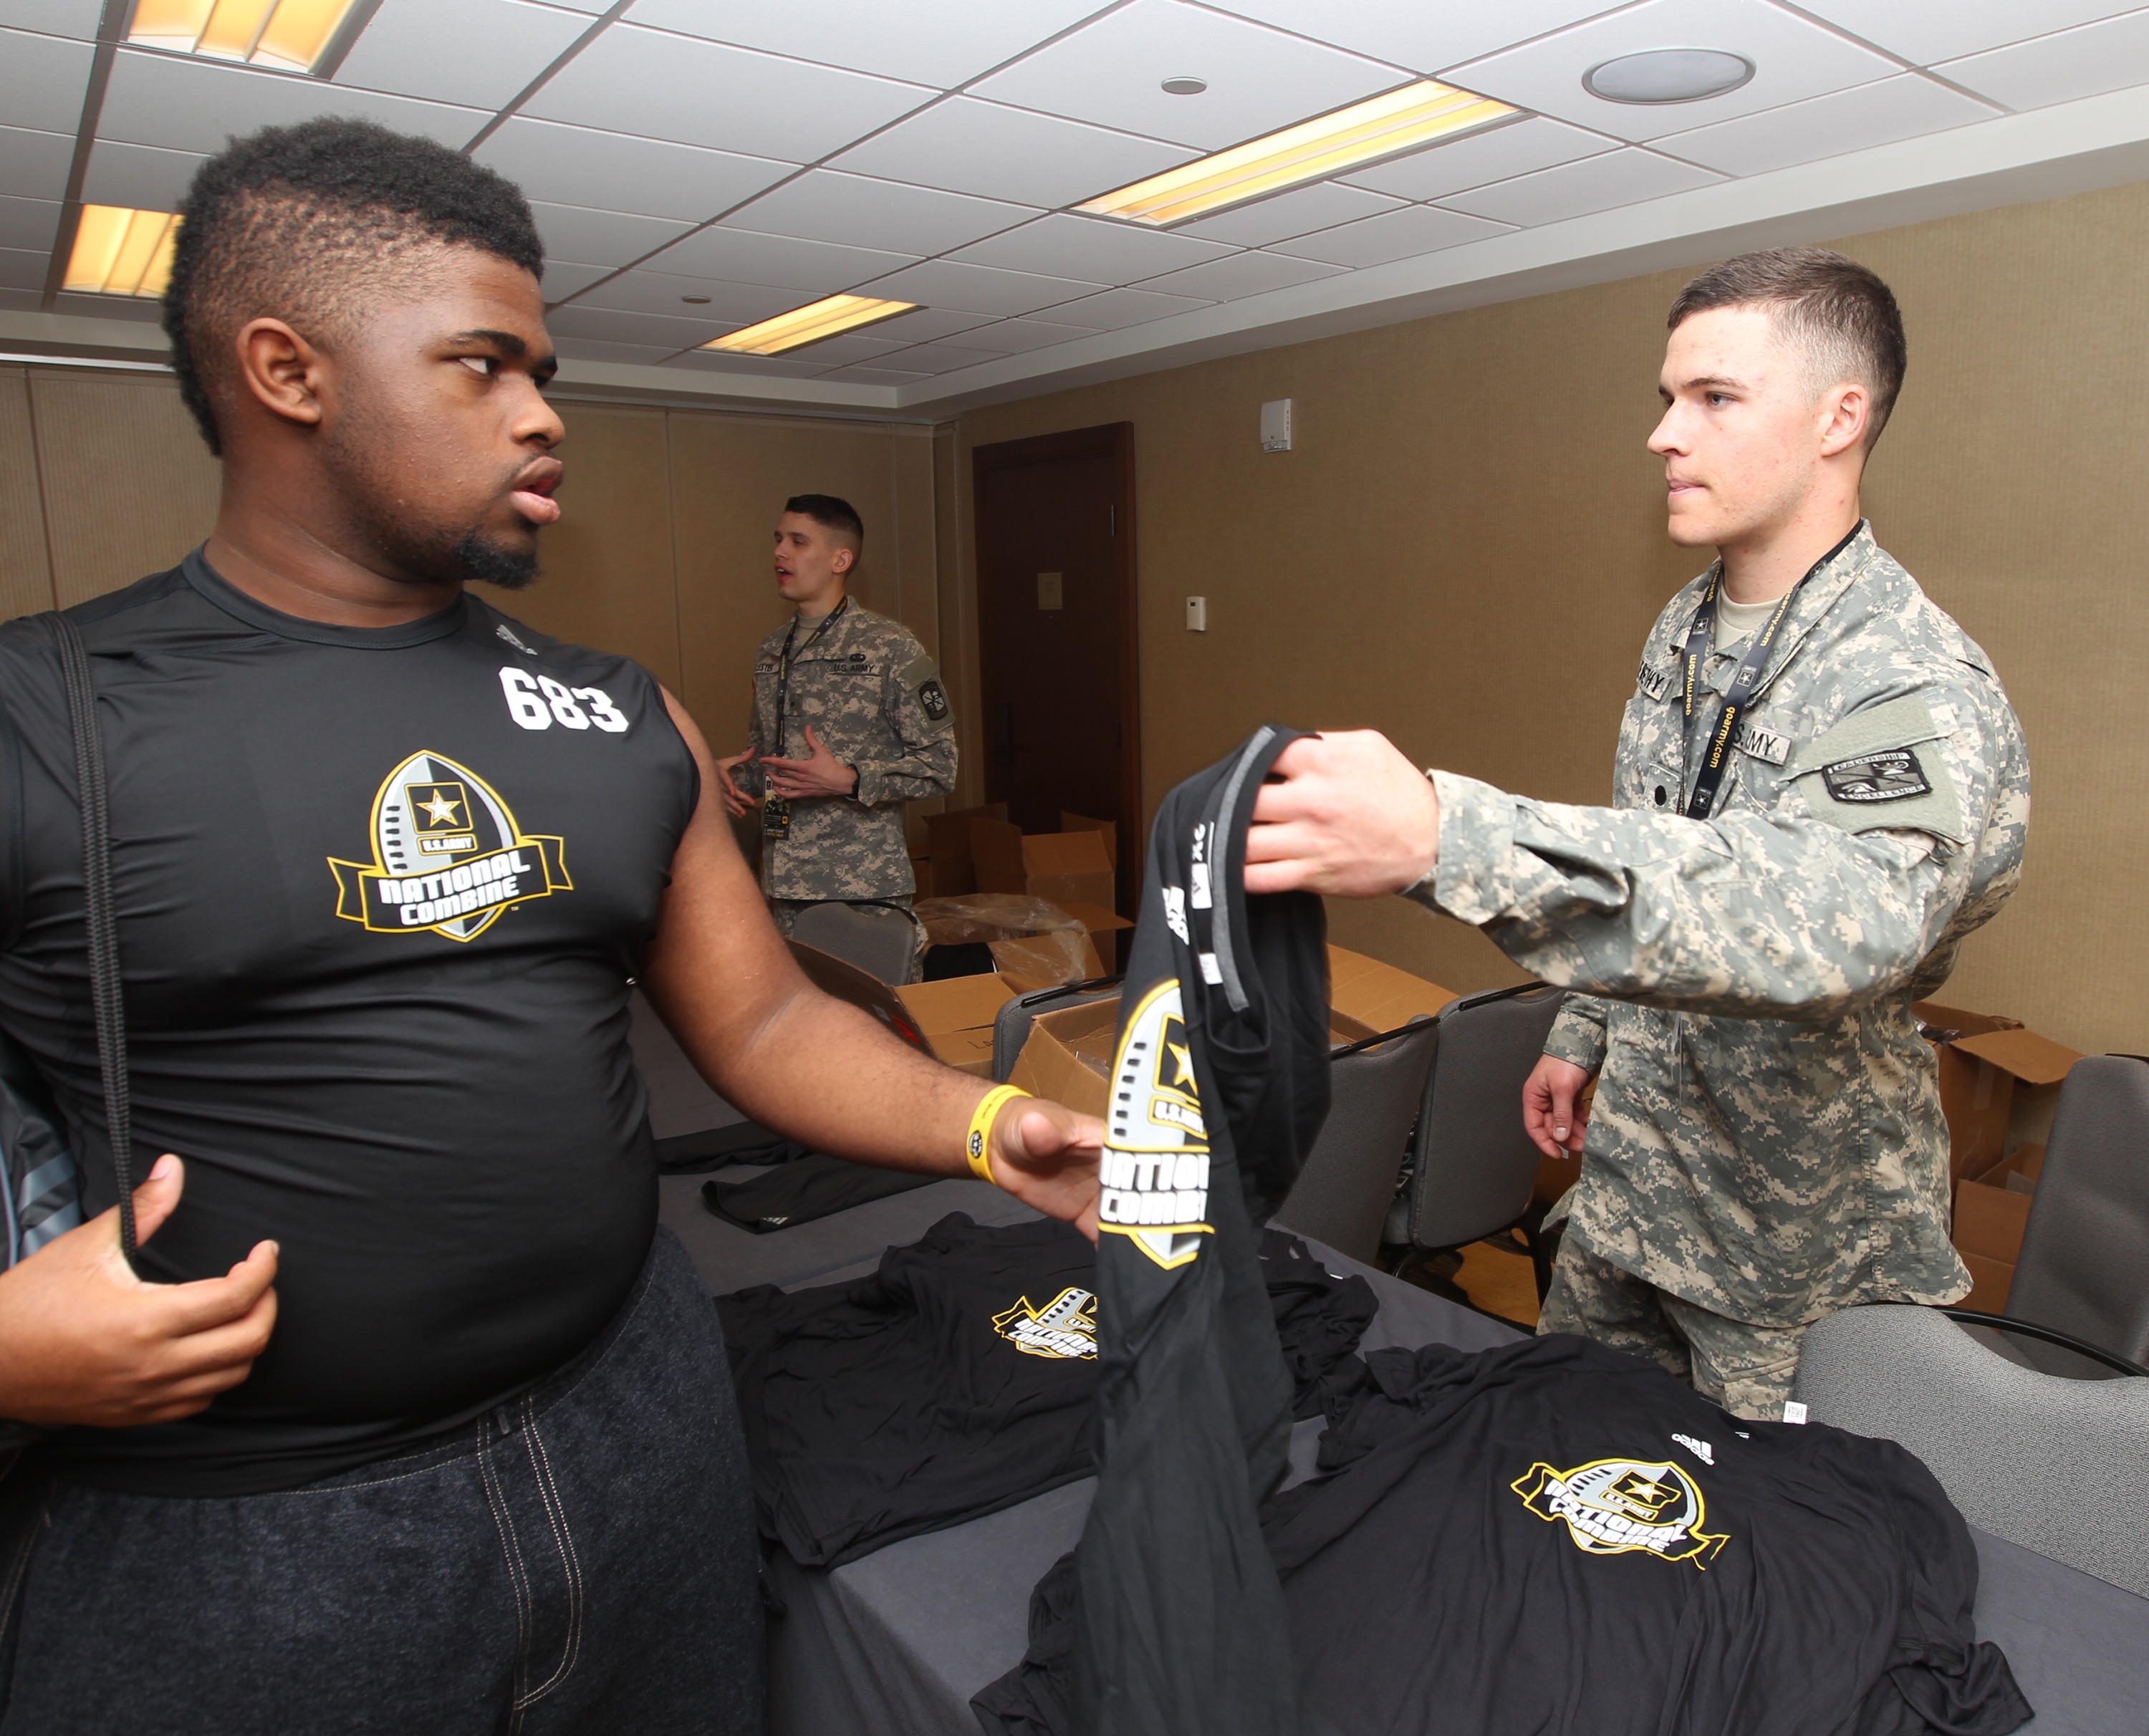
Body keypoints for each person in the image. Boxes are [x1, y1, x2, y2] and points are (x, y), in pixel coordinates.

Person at [0, 118, 1098, 1735]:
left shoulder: (608, 713)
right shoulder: (47, 714)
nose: (542, 413)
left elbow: (772, 1024)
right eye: (481, 366)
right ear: (287, 370)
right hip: (239, 1527)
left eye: (544, 366)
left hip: (636, 1430)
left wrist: (993, 1123)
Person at [1244, 247, 2029, 1420]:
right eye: (1666, 399)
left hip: (1791, 1253)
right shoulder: (1686, 628)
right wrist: (1585, 1026)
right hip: (1631, 1195)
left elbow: (1833, 923)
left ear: (1840, 417)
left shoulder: (1905, 678)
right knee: (1586, 1488)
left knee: (1780, 1568)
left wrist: (1444, 838)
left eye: (1713, 398)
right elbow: (1659, 837)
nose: (1664, 434)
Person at [714, 495, 956, 960]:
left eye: (798, 542)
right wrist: (719, 776)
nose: (779, 552)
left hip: (862, 888)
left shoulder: (891, 648)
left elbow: (941, 767)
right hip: (783, 884)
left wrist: (850, 779)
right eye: (778, 539)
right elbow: (765, 758)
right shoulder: (771, 651)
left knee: (869, 1025)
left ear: (840, 560)